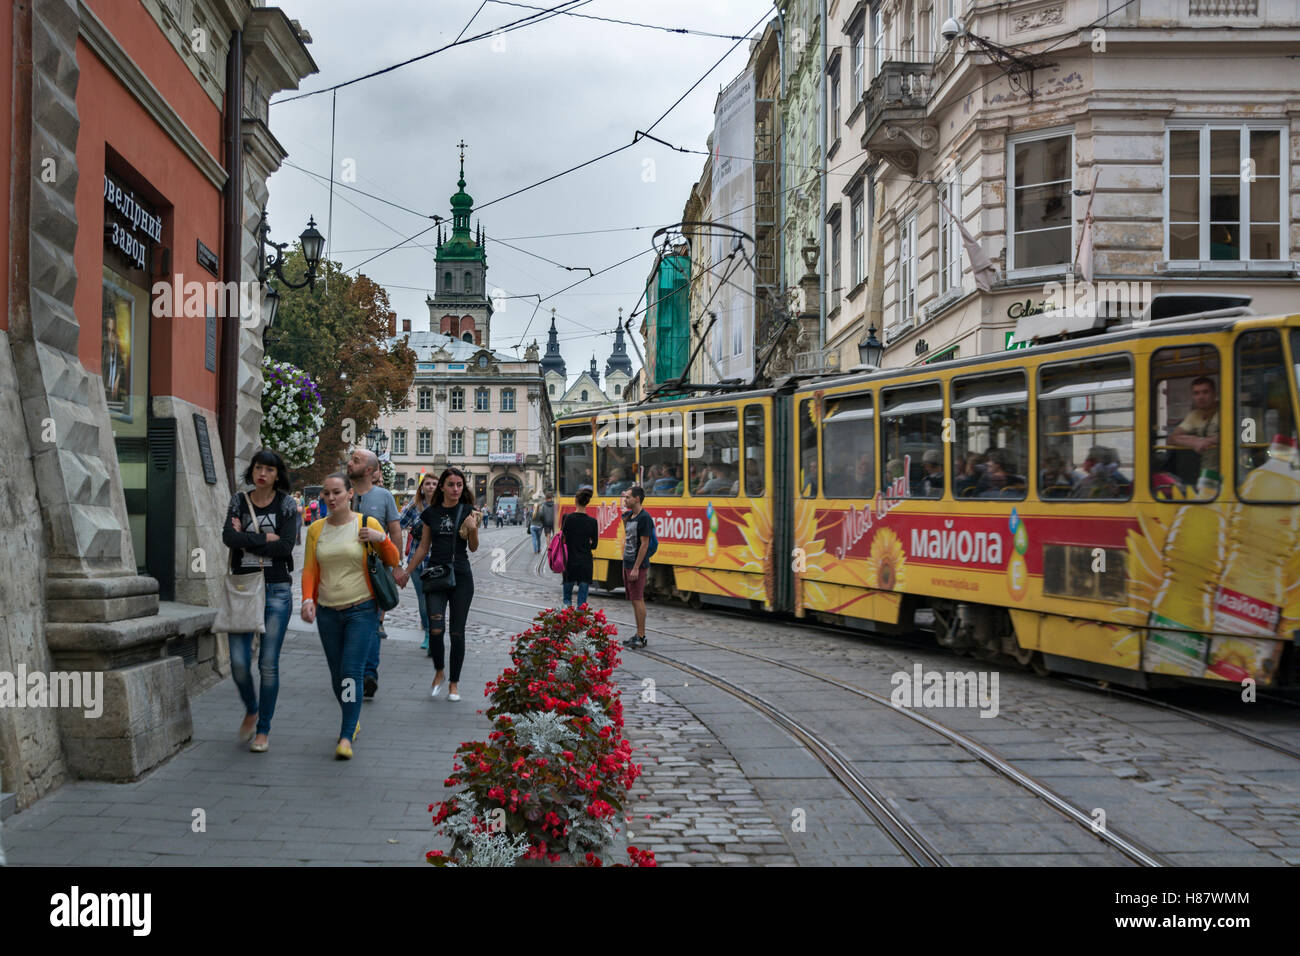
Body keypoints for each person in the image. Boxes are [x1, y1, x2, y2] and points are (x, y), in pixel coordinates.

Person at [300, 472, 400, 759]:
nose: (331, 498)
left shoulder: (366, 524)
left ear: (350, 494)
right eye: (326, 494)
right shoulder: (316, 529)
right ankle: (351, 717)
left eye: (336, 493)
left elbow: (393, 561)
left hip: (362, 609)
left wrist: (382, 539)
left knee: (351, 672)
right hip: (328, 611)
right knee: (336, 676)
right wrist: (308, 599)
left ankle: (346, 735)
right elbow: (309, 569)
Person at [221, 448, 300, 754]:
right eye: (257, 468)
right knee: (239, 663)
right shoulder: (239, 501)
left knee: (268, 663)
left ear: (277, 474)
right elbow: (229, 538)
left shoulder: (287, 504)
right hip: (242, 586)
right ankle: (251, 708)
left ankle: (263, 728)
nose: (262, 473)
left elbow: (285, 547)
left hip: (276, 589)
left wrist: (250, 538)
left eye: (268, 469)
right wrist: (265, 538)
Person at [395, 467, 481, 703]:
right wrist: (406, 572)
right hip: (435, 574)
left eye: (459, 485)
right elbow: (423, 547)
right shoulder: (431, 513)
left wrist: (473, 531)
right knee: (435, 628)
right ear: (442, 486)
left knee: (457, 632)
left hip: (461, 576)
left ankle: (454, 683)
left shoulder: (468, 511)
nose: (455, 489)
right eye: (451, 484)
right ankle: (439, 671)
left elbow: (473, 548)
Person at [345, 448, 401, 700]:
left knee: (373, 624)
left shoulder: (384, 496)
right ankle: (350, 673)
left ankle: (368, 675)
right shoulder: (341, 492)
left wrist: (396, 564)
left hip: (374, 570)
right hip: (344, 571)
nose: (349, 463)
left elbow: (395, 531)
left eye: (355, 460)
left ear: (369, 470)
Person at [400, 474, 438, 652]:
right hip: (417, 561)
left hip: (437, 562)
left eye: (434, 484)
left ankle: (433, 634)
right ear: (422, 488)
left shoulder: (444, 507)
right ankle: (428, 632)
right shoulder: (414, 507)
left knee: (435, 600)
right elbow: (397, 524)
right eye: (427, 484)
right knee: (423, 600)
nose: (430, 487)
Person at [620, 486, 653, 649]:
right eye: (625, 497)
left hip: (636, 565)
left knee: (638, 599)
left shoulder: (644, 518)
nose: (625, 500)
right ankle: (638, 634)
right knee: (634, 599)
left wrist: (636, 567)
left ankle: (641, 635)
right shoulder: (630, 516)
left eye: (628, 497)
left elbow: (644, 544)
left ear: (637, 499)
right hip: (628, 562)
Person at [1168, 375, 1220, 473]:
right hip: (1207, 472)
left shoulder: (1226, 410)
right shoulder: (1194, 415)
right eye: (1196, 393)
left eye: (1205, 392)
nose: (1200, 397)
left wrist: (1209, 441)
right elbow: (1172, 438)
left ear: (1214, 394)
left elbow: (1238, 434)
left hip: (1231, 472)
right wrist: (1194, 442)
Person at [561, 488, 600, 607]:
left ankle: (566, 622)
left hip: (570, 563)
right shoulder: (592, 522)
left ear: (575, 501)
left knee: (567, 599)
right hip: (586, 563)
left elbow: (563, 540)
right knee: (582, 602)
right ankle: (580, 623)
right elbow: (594, 545)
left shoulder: (568, 518)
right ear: (587, 502)